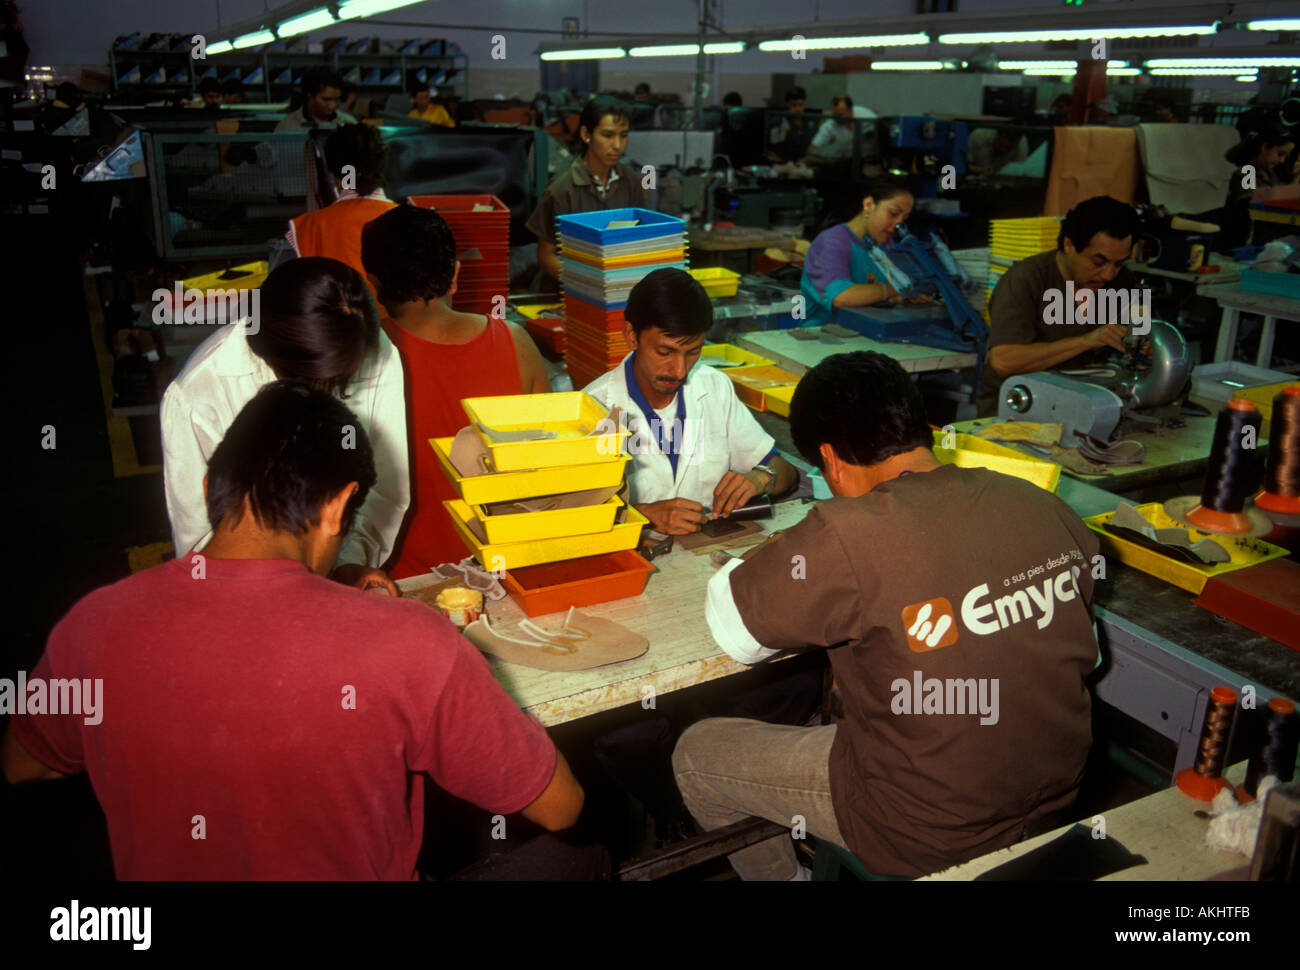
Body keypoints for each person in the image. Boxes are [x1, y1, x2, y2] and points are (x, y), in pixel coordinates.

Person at [3, 381, 587, 880]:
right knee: (579, 859)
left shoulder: (93, 624)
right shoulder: (413, 642)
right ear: (338, 508)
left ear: (210, 489)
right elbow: (561, 806)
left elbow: (23, 762)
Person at [673, 350, 1100, 880]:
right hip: (1057, 795)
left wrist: (774, 557)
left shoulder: (848, 534)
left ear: (829, 460)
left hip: (923, 828)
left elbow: (736, 632)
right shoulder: (1041, 504)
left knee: (696, 754)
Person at [161, 257, 408, 595]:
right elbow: (201, 540)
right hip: (244, 593)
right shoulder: (198, 396)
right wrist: (283, 593)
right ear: (275, 361)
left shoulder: (374, 352)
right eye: (322, 382)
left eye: (343, 383)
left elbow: (385, 490)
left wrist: (347, 561)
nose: (330, 394)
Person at [361, 205, 550, 578]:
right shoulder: (516, 342)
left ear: (374, 283)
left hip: (398, 582)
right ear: (455, 276)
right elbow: (551, 468)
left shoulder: (361, 355)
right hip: (506, 571)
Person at [582, 267, 797, 535]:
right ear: (631, 335)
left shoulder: (714, 386)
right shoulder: (592, 408)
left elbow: (784, 470)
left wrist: (762, 477)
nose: (680, 370)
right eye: (664, 352)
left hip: (702, 556)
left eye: (693, 352)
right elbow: (570, 515)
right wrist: (640, 515)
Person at [976, 194, 1140, 416]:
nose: (1109, 274)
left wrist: (1145, 343)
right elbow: (1003, 361)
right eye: (1098, 262)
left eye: (1119, 264)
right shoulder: (1025, 280)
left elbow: (1145, 334)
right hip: (1019, 413)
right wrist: (1086, 341)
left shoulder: (1123, 281)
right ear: (1069, 244)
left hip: (1088, 408)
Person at [525, 96, 646, 290]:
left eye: (623, 135)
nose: (617, 145)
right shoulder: (562, 189)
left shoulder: (630, 181)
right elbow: (546, 255)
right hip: (567, 293)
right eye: (608, 135)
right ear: (586, 134)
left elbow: (637, 239)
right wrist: (584, 282)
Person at [287, 123, 396, 300]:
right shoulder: (411, 220)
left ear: (334, 173)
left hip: (338, 326)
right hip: (397, 326)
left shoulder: (305, 228)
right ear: (381, 166)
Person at [800, 177, 924, 328]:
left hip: (867, 331)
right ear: (869, 204)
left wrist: (906, 295)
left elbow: (889, 288)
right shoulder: (831, 242)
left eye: (903, 218)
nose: (898, 224)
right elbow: (840, 296)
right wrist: (896, 289)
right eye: (893, 213)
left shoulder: (887, 243)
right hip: (822, 337)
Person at [802, 94, 875, 166]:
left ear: (850, 110)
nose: (837, 118)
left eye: (840, 115)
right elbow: (812, 148)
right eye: (835, 114)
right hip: (845, 163)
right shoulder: (830, 125)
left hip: (869, 159)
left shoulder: (866, 116)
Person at [276, 66, 356, 131]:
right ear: (309, 95)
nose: (332, 106)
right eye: (326, 100)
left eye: (337, 99)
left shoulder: (349, 124)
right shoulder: (287, 126)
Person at [767, 86, 814, 163]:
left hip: (805, 163)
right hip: (785, 164)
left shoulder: (809, 121)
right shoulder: (778, 122)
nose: (798, 109)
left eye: (800, 105)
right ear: (787, 104)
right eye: (794, 105)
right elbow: (772, 151)